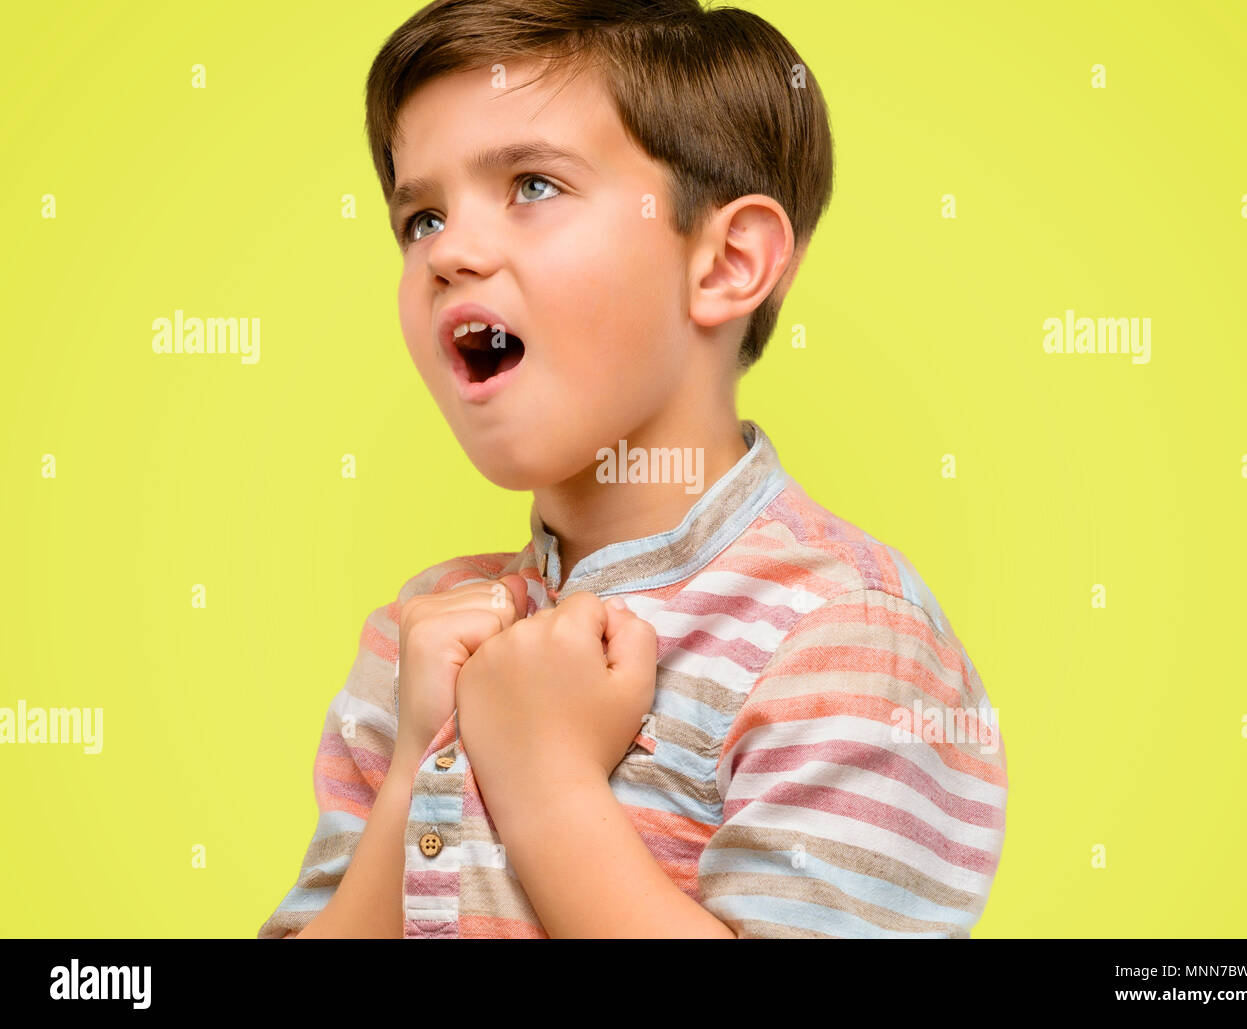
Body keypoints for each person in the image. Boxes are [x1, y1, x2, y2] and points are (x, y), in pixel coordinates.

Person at [258, 0, 1007, 939]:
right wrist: (417, 761)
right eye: (422, 216)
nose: (448, 250)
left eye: (532, 185)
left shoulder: (844, 638)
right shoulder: (417, 643)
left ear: (728, 262)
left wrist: (546, 785)